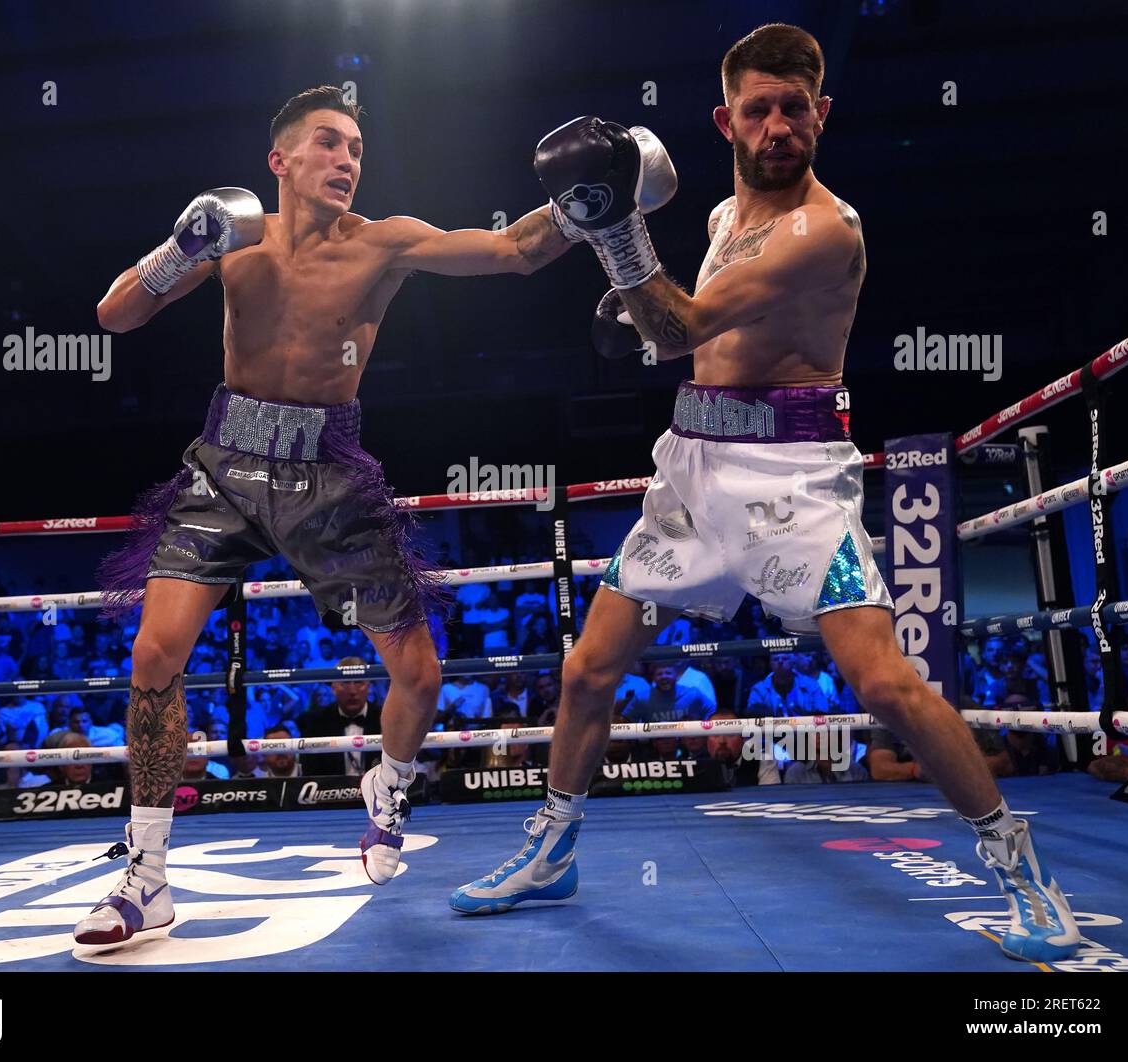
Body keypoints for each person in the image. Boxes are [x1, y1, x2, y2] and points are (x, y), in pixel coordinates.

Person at [452, 25, 1079, 963]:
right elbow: (677, 337)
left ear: (822, 114)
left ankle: (1018, 863)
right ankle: (553, 848)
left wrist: (613, 226)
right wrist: (621, 285)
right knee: (586, 672)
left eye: (796, 107)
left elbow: (683, 324)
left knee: (884, 683)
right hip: (694, 468)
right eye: (760, 109)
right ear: (726, 121)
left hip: (793, 478)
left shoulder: (827, 228)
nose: (779, 125)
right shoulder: (716, 222)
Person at [73, 83, 631, 946]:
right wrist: (177, 250)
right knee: (155, 651)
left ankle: (388, 788)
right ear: (280, 161)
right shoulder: (234, 237)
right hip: (223, 466)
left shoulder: (383, 243)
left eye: (357, 150)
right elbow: (114, 315)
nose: (346, 161)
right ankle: (145, 878)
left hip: (329, 473)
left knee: (418, 675)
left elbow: (514, 250)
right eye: (328, 144)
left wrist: (593, 196)